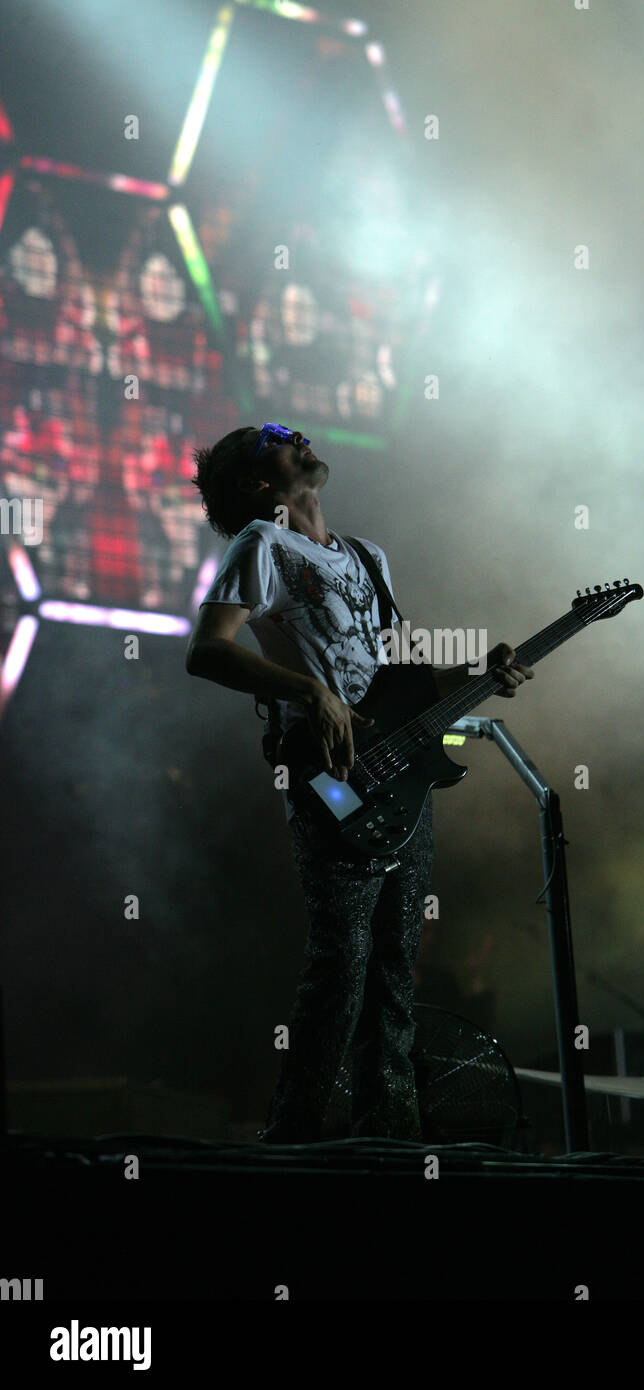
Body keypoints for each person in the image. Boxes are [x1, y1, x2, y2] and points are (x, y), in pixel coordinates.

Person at [185, 422, 533, 1141]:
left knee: (396, 970)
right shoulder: (263, 545)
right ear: (258, 483)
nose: (302, 437)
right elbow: (206, 651)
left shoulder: (369, 559)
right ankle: (292, 1145)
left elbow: (401, 683)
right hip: (328, 777)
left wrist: (479, 674)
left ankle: (390, 1142)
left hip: (398, 778)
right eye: (283, 437)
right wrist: (310, 694)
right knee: (343, 963)